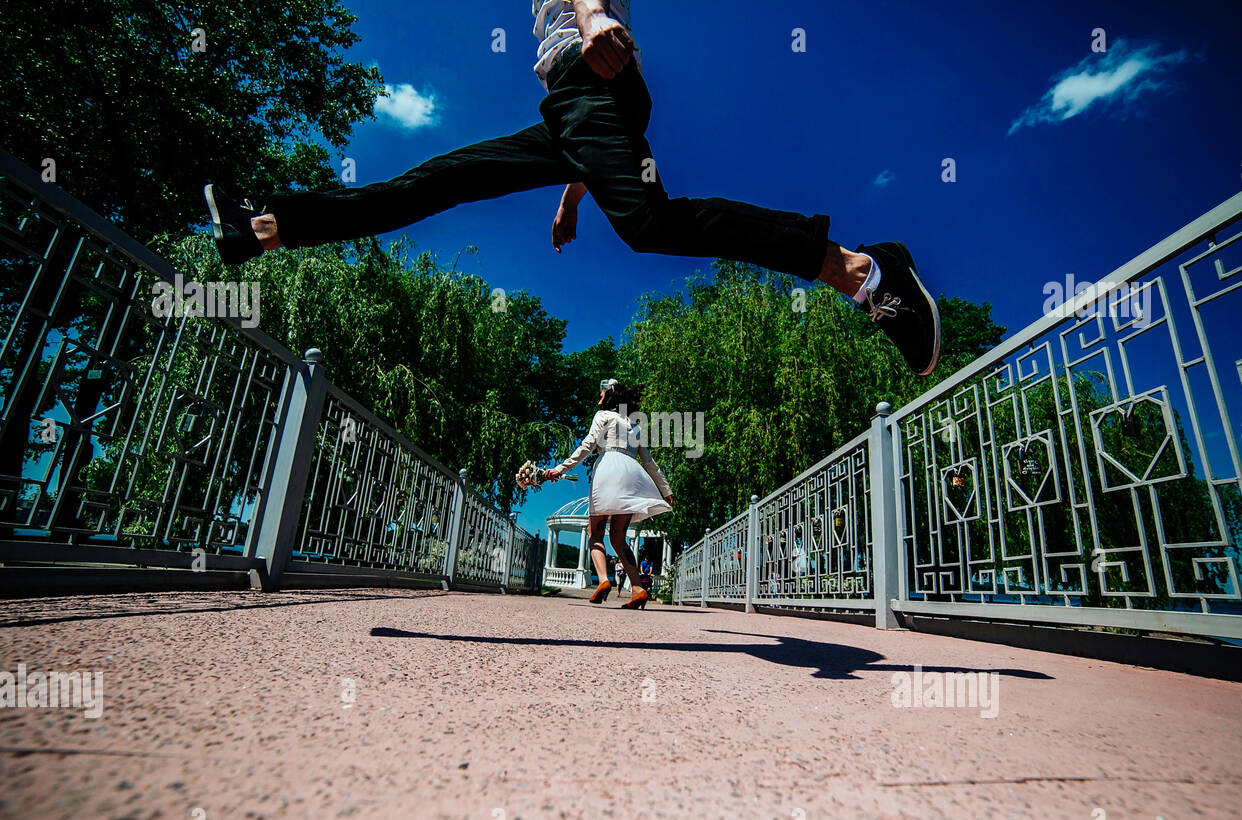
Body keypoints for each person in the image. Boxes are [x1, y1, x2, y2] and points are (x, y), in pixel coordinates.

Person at [203, 0, 941, 376]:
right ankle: (265, 227)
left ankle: (862, 271)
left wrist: (590, 16)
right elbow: (593, 144)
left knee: (650, 225)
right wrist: (568, 198)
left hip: (594, 86)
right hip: (572, 113)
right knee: (433, 183)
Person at [543, 378, 670, 609]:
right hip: (632, 472)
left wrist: (559, 469)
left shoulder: (602, 416)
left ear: (609, 396)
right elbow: (650, 463)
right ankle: (639, 588)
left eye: (601, 395)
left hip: (608, 469)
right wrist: (665, 489)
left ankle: (602, 580)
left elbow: (586, 445)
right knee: (619, 537)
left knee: (596, 534)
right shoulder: (634, 425)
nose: (598, 399)